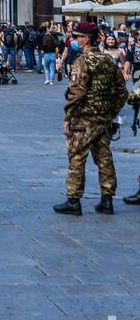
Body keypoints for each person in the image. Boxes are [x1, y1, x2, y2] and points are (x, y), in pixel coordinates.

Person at [53, 19, 128, 216]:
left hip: (84, 119)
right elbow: (122, 92)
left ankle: (73, 200)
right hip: (103, 119)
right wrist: (111, 112)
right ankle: (107, 200)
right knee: (104, 158)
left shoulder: (82, 61)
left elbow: (77, 92)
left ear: (86, 40)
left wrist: (68, 116)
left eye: (77, 37)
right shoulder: (108, 61)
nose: (74, 39)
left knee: (77, 157)